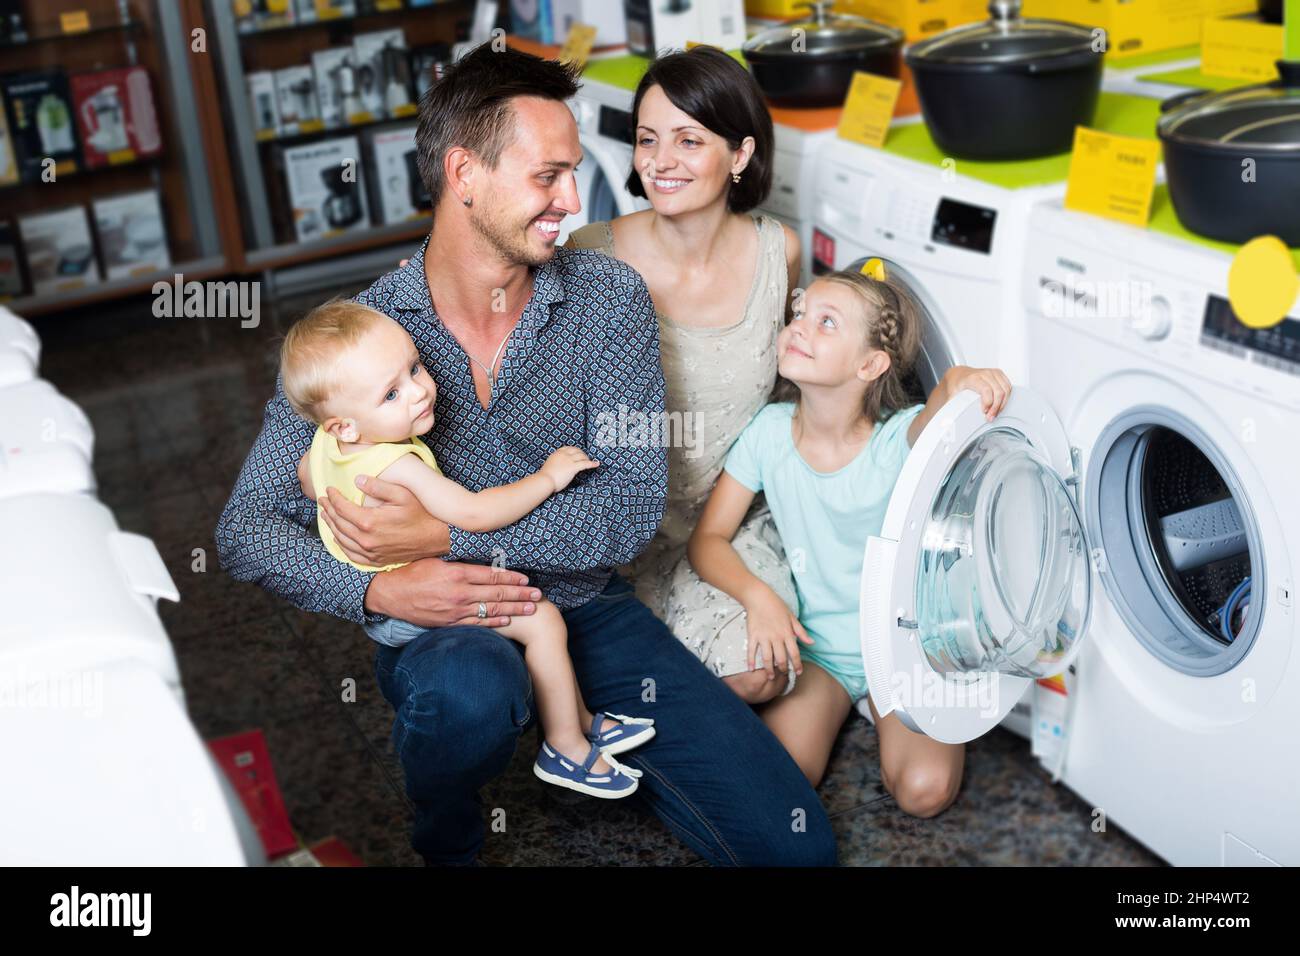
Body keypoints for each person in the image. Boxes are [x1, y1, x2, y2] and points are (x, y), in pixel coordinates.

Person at [215, 43, 837, 866]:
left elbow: (624, 512)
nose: (573, 202)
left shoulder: (608, 299)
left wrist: (443, 538)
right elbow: (246, 526)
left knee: (794, 851)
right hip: (451, 621)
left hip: (588, 609)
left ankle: (569, 735)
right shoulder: (365, 334)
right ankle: (450, 818)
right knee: (468, 692)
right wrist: (381, 587)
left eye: (575, 173)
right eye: (548, 176)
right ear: (465, 173)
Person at [280, 299, 654, 797]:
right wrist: (546, 478)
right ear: (346, 425)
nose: (419, 391)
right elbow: (477, 514)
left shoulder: (326, 445)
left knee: (534, 620)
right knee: (543, 621)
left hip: (387, 593)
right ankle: (565, 747)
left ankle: (580, 718)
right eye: (391, 394)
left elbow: (308, 482)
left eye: (414, 368)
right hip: (408, 606)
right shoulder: (400, 464)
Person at [687, 265, 1012, 814]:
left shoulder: (896, 438)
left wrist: (962, 380)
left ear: (871, 364)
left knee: (923, 794)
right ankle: (854, 706)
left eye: (826, 321)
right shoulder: (768, 432)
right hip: (824, 654)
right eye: (799, 314)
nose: (798, 328)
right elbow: (708, 539)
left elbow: (942, 406)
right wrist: (759, 597)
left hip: (912, 648)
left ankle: (896, 709)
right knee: (779, 780)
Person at [565, 47, 807, 697]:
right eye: (647, 140)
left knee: (762, 670)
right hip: (614, 528)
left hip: (725, 528)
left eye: (688, 140)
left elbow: (796, 395)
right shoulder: (593, 254)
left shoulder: (777, 252)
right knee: (603, 678)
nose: (660, 161)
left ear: (741, 154)